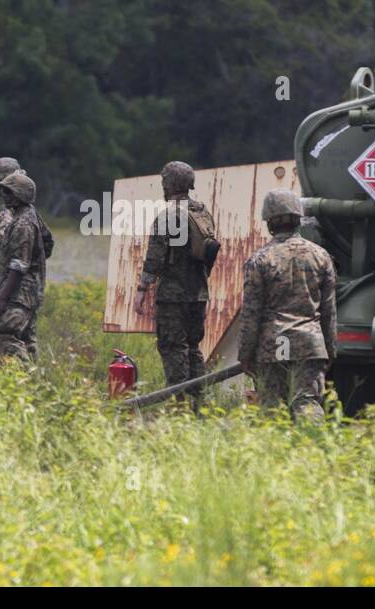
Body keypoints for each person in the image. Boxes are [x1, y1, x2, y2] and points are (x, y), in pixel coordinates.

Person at [237, 189, 337, 422]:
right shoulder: (322, 256)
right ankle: (312, 449)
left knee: (272, 410)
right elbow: (329, 311)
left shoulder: (259, 260)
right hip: (309, 343)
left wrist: (245, 354)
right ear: (298, 218)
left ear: (270, 221)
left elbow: (251, 314)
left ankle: (275, 456)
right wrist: (330, 349)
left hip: (272, 345)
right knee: (307, 403)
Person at [135, 161, 214, 411]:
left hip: (172, 296)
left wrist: (141, 291)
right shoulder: (203, 213)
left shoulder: (169, 216)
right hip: (198, 294)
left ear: (169, 184)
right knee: (193, 348)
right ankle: (198, 402)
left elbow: (155, 258)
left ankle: (178, 405)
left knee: (172, 347)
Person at [0, 157, 52, 353]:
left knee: (8, 337)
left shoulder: (21, 219)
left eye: (7, 188)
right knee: (27, 341)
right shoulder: (27, 214)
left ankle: (20, 379)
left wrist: (2, 297)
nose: (3, 192)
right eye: (0, 187)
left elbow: (18, 263)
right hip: (22, 289)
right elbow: (47, 244)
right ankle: (31, 381)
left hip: (16, 292)